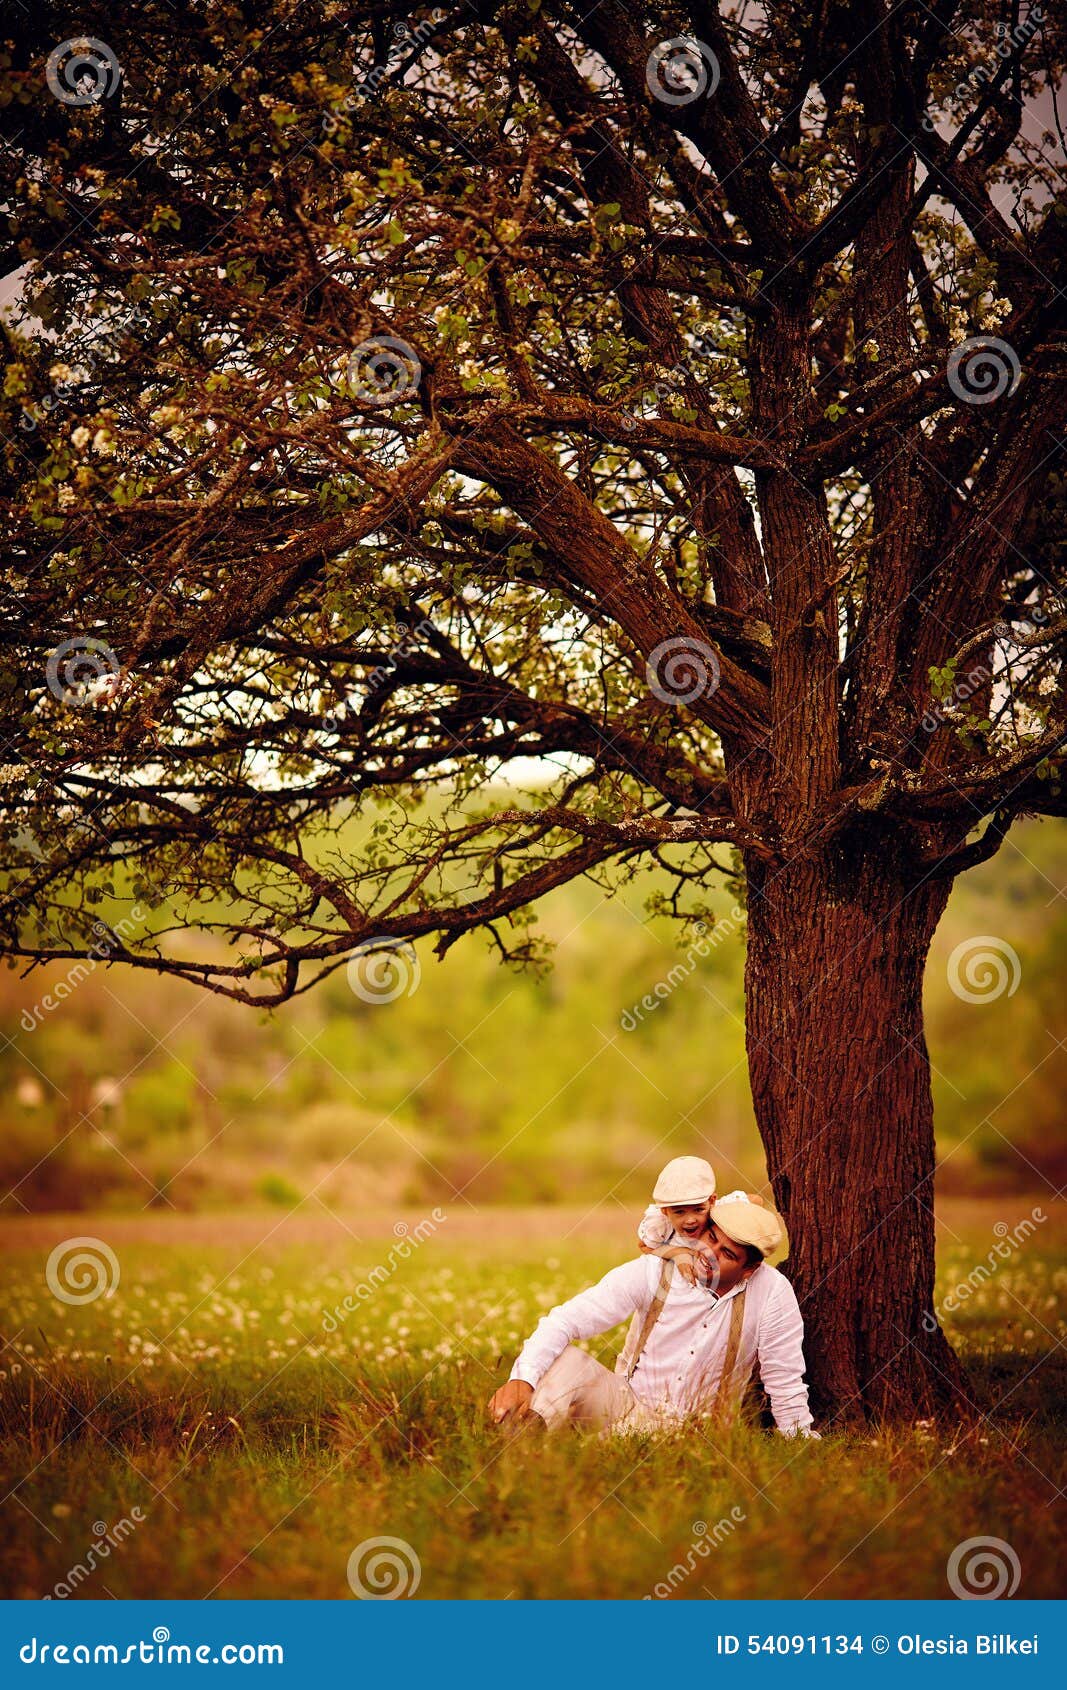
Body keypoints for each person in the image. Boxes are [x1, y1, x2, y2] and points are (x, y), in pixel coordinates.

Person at [487, 1198, 818, 1437]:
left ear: (749, 1269)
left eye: (727, 1254)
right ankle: (522, 1450)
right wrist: (523, 1379)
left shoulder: (772, 1293)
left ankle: (577, 1467)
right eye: (710, 1238)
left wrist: (798, 1439)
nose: (708, 1255)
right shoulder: (658, 1269)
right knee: (565, 1359)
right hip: (626, 1403)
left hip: (696, 1431)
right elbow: (565, 1320)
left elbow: (784, 1377)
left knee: (606, 1460)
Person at [635, 1154, 765, 1287]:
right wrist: (677, 1253)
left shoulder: (720, 1212)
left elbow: (756, 1200)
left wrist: (731, 1215)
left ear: (712, 1201)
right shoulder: (662, 1224)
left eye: (698, 1209)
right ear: (665, 1211)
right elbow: (644, 1246)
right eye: (679, 1212)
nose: (690, 1220)